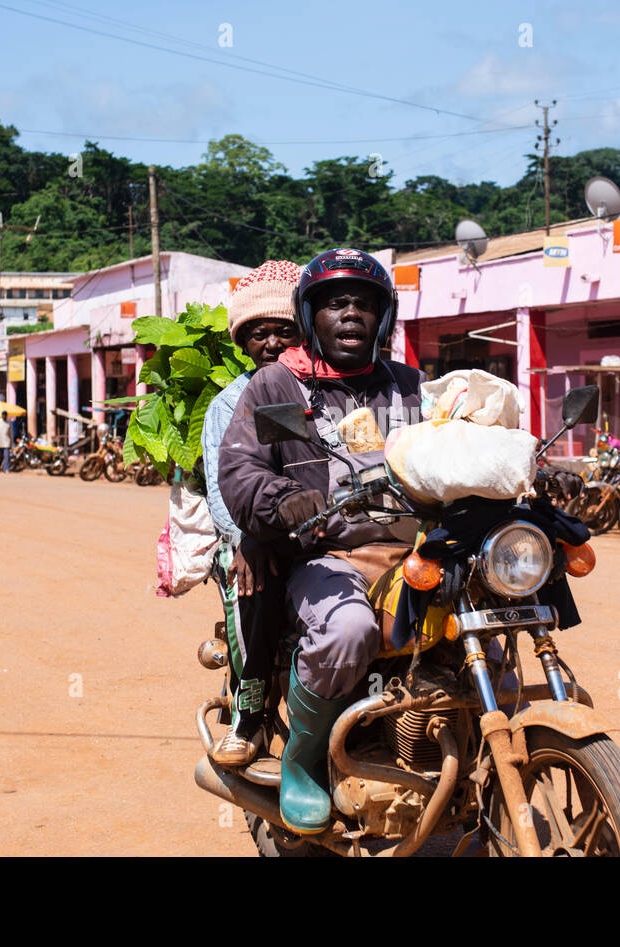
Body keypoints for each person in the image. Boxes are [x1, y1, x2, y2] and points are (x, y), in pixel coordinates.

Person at [220, 248, 423, 834]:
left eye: (365, 304)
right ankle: (303, 760)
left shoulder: (410, 386)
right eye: (336, 304)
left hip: (419, 552)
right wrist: (282, 499)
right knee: (348, 630)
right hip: (328, 555)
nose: (351, 314)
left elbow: (464, 441)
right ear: (311, 316)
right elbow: (240, 469)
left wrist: (527, 466)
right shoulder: (277, 386)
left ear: (383, 318)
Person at [201, 260, 302, 767]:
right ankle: (250, 711)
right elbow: (222, 487)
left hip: (320, 529)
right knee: (254, 582)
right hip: (250, 534)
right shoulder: (229, 402)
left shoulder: (321, 393)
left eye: (284, 332)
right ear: (244, 343)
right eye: (260, 334)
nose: (272, 344)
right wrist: (244, 538)